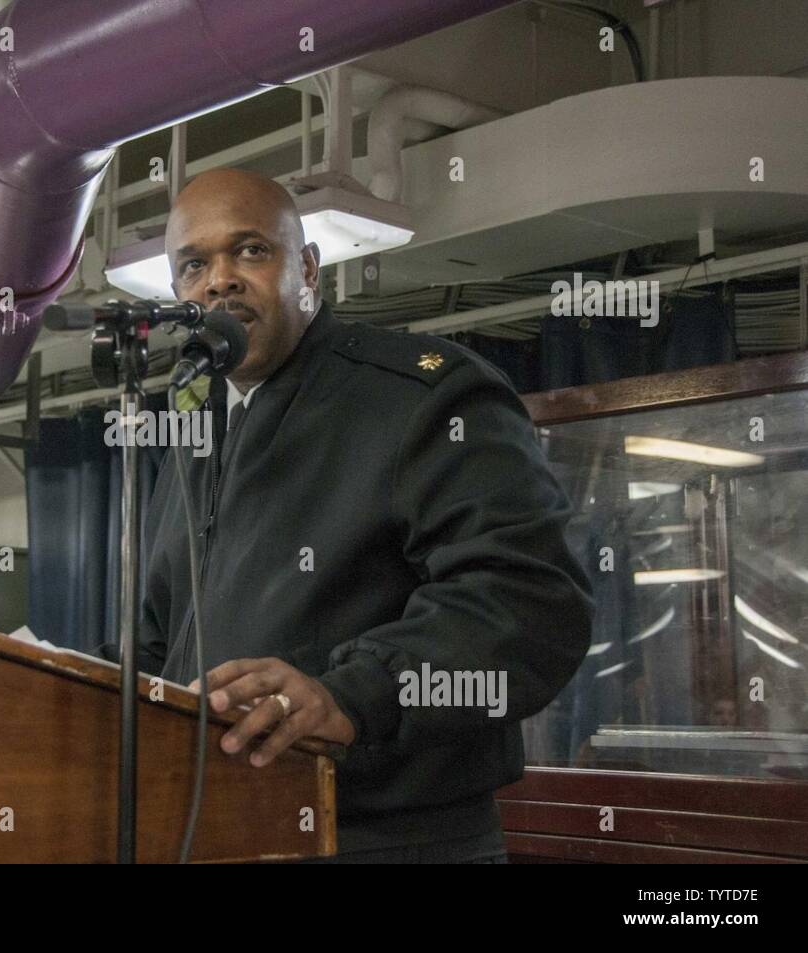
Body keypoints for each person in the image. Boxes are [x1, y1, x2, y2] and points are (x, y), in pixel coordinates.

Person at [104, 166, 594, 863]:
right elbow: (160, 646)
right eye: (194, 264)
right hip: (222, 834)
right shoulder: (192, 439)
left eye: (250, 250)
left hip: (391, 842)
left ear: (308, 269)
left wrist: (352, 696)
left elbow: (529, 599)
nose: (218, 280)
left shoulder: (421, 397)